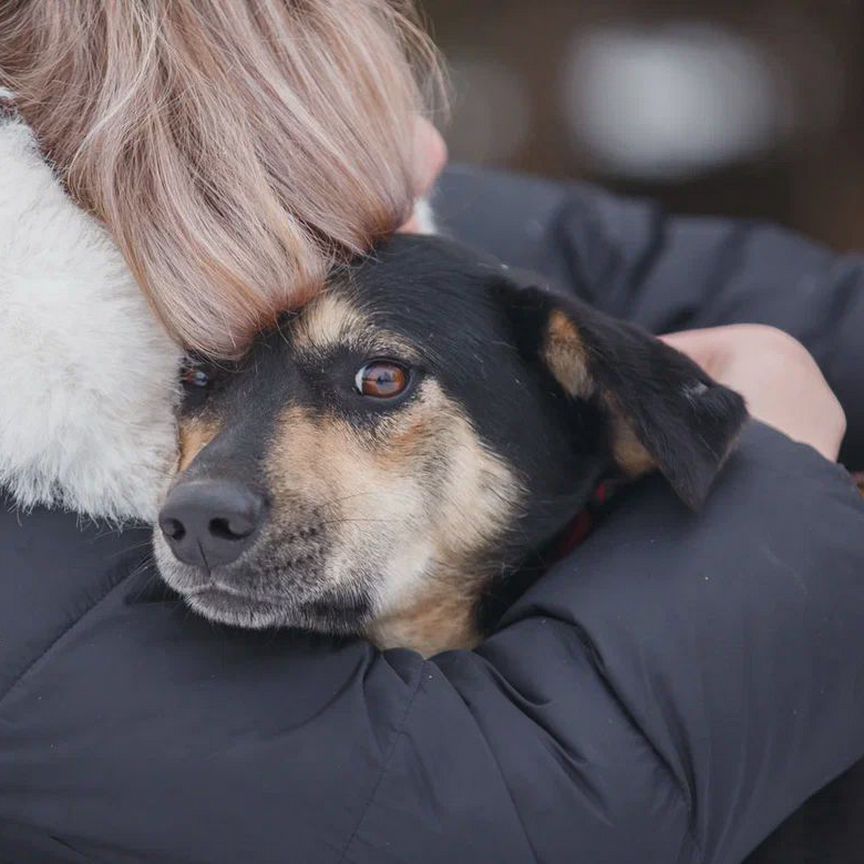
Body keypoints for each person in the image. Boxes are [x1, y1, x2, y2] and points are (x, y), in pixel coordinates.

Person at [0, 2, 862, 862]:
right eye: (201, 378)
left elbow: (714, 276)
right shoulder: (35, 586)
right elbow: (526, 818)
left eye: (378, 380)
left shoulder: (256, 249)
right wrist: (767, 477)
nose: (438, 152)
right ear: (229, 172)